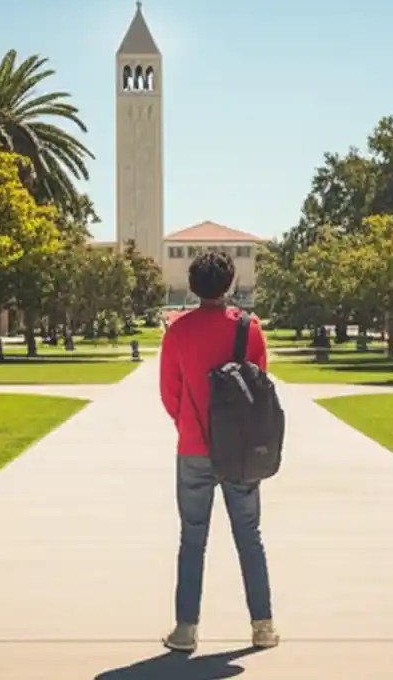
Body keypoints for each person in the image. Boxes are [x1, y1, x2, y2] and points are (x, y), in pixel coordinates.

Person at [158, 250, 278, 653]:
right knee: (249, 535)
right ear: (229, 283)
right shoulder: (249, 328)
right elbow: (260, 386)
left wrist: (189, 426)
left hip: (193, 448)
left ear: (193, 286)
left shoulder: (177, 331)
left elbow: (169, 393)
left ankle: (186, 629)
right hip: (240, 450)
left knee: (193, 539)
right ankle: (262, 625)